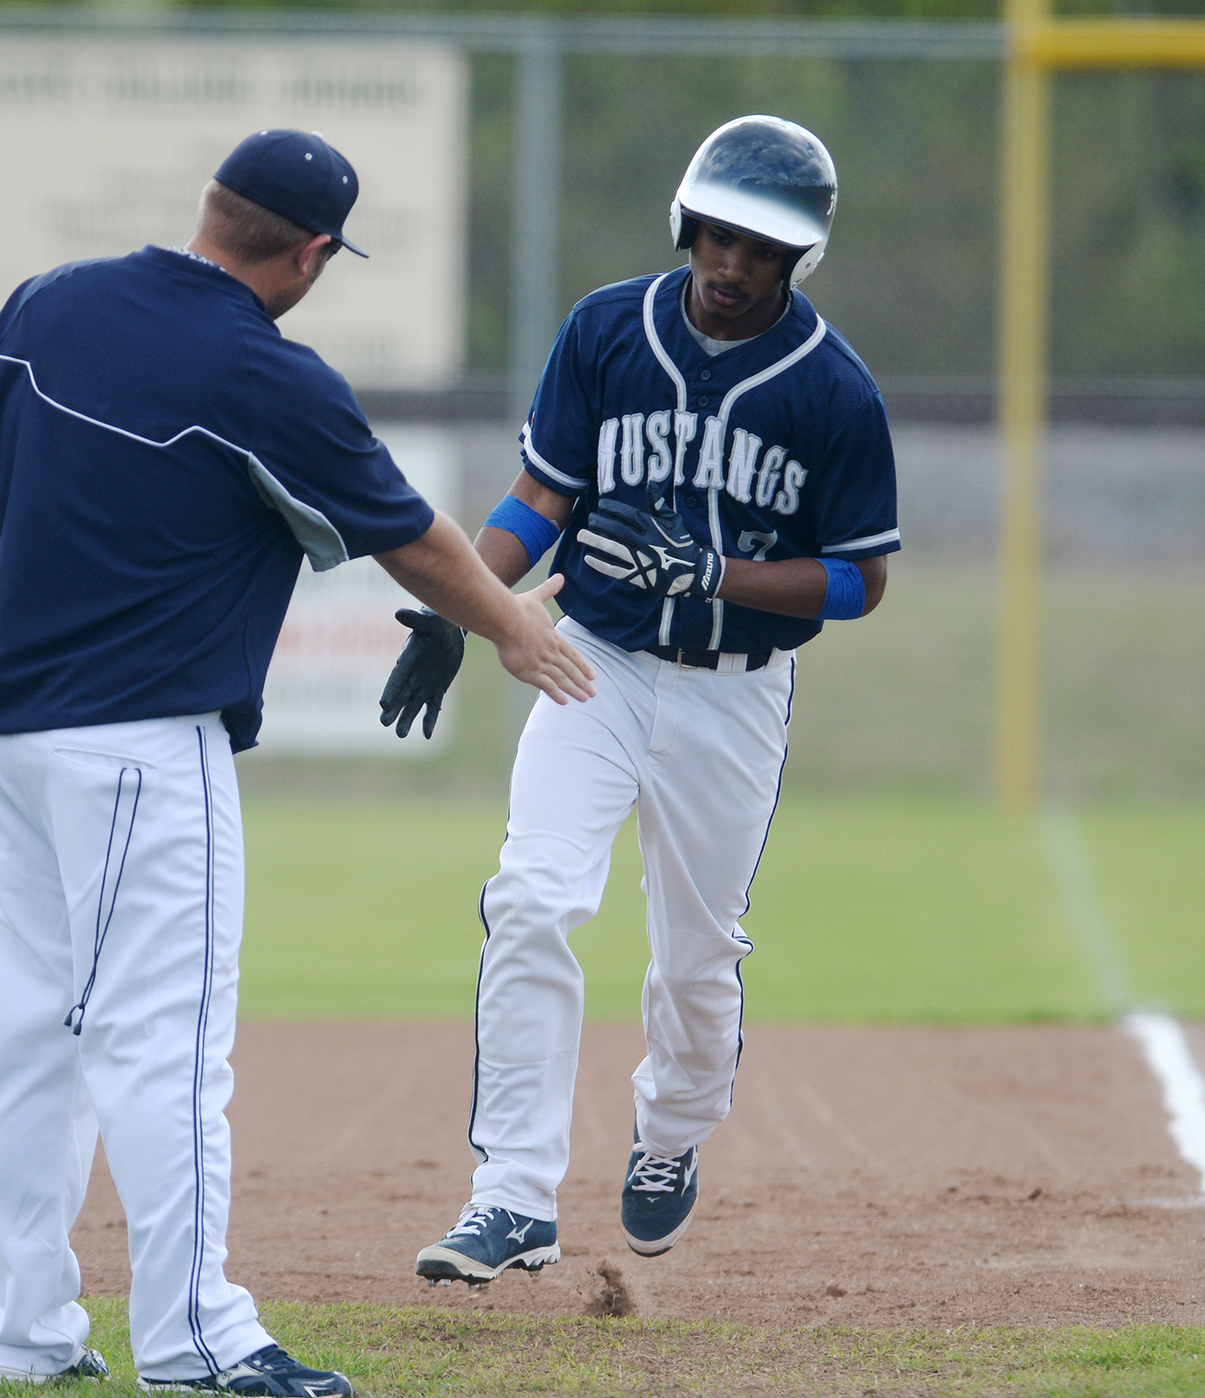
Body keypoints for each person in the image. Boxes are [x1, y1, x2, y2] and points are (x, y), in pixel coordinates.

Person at [0, 129, 593, 1392]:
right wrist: (520, 628)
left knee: (34, 1033)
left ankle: (29, 1335)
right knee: (166, 1045)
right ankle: (198, 1342)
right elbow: (415, 539)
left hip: (11, 744)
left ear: (209, 211)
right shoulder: (268, 374)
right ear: (311, 253)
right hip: (145, 749)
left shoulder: (54, 302)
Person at [394, 115, 899, 1288]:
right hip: (595, 663)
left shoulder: (831, 390)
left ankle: (669, 1135)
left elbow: (859, 579)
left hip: (734, 697)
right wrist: (466, 601)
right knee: (529, 896)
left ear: (797, 260)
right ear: (687, 225)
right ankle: (511, 1196)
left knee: (694, 963)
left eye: (758, 248)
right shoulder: (604, 332)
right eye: (715, 237)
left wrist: (711, 574)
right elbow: (541, 494)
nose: (729, 265)